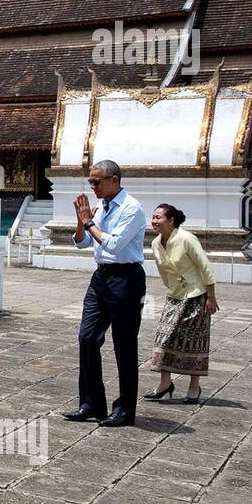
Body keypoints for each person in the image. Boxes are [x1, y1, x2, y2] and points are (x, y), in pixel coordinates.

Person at [64, 160, 148, 428]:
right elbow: (83, 242)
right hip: (101, 277)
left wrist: (89, 222)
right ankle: (91, 402)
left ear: (114, 180)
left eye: (96, 182)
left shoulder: (131, 208)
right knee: (87, 338)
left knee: (124, 345)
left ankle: (124, 409)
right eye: (90, 182)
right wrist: (82, 223)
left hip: (125, 278)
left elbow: (113, 244)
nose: (93, 187)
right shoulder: (101, 207)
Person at [146, 203, 218, 405]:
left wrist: (210, 297)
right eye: (153, 217)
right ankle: (165, 383)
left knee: (194, 341)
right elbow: (164, 272)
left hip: (196, 295)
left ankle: (194, 387)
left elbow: (204, 266)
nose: (154, 221)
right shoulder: (155, 243)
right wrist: (171, 289)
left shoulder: (187, 239)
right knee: (164, 337)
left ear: (171, 220)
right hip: (175, 296)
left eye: (159, 217)